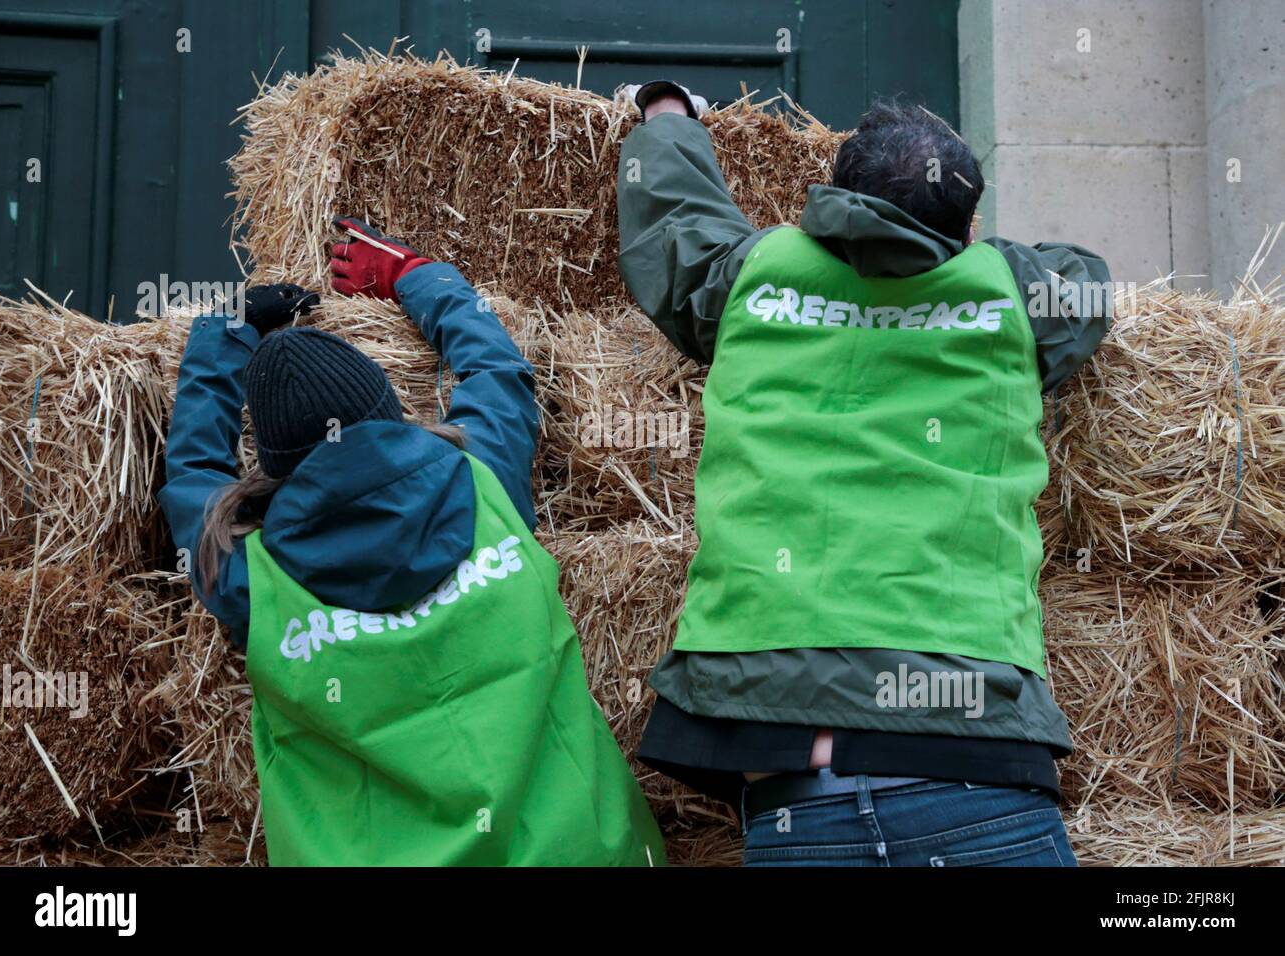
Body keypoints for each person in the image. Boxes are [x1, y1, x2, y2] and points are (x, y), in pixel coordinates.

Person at [616, 81, 1113, 867]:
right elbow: (1087, 279)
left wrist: (667, 118)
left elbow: (674, 223)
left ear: (832, 200)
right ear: (969, 225)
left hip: (792, 798)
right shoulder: (1015, 294)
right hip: (977, 770)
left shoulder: (748, 277)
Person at [160, 217, 664, 866]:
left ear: (273, 467)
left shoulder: (252, 582)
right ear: (389, 410)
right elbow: (496, 369)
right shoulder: (488, 488)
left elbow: (192, 477)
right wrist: (414, 275)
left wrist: (220, 332)